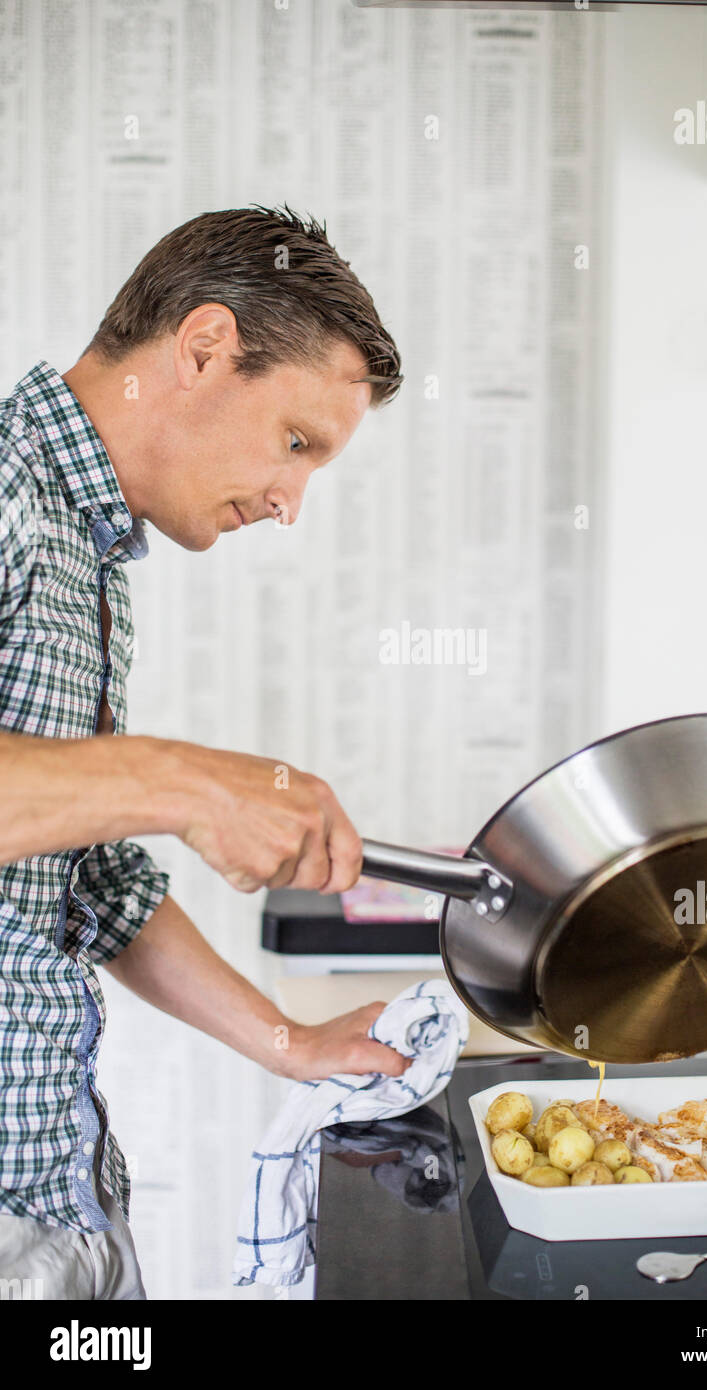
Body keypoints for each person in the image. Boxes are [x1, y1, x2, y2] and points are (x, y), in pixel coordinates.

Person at [0, 204, 408, 1299]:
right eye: (295, 443)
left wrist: (290, 1043)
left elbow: (91, 884)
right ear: (201, 348)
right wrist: (190, 780)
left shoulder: (87, 558)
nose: (289, 502)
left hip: (62, 1197)